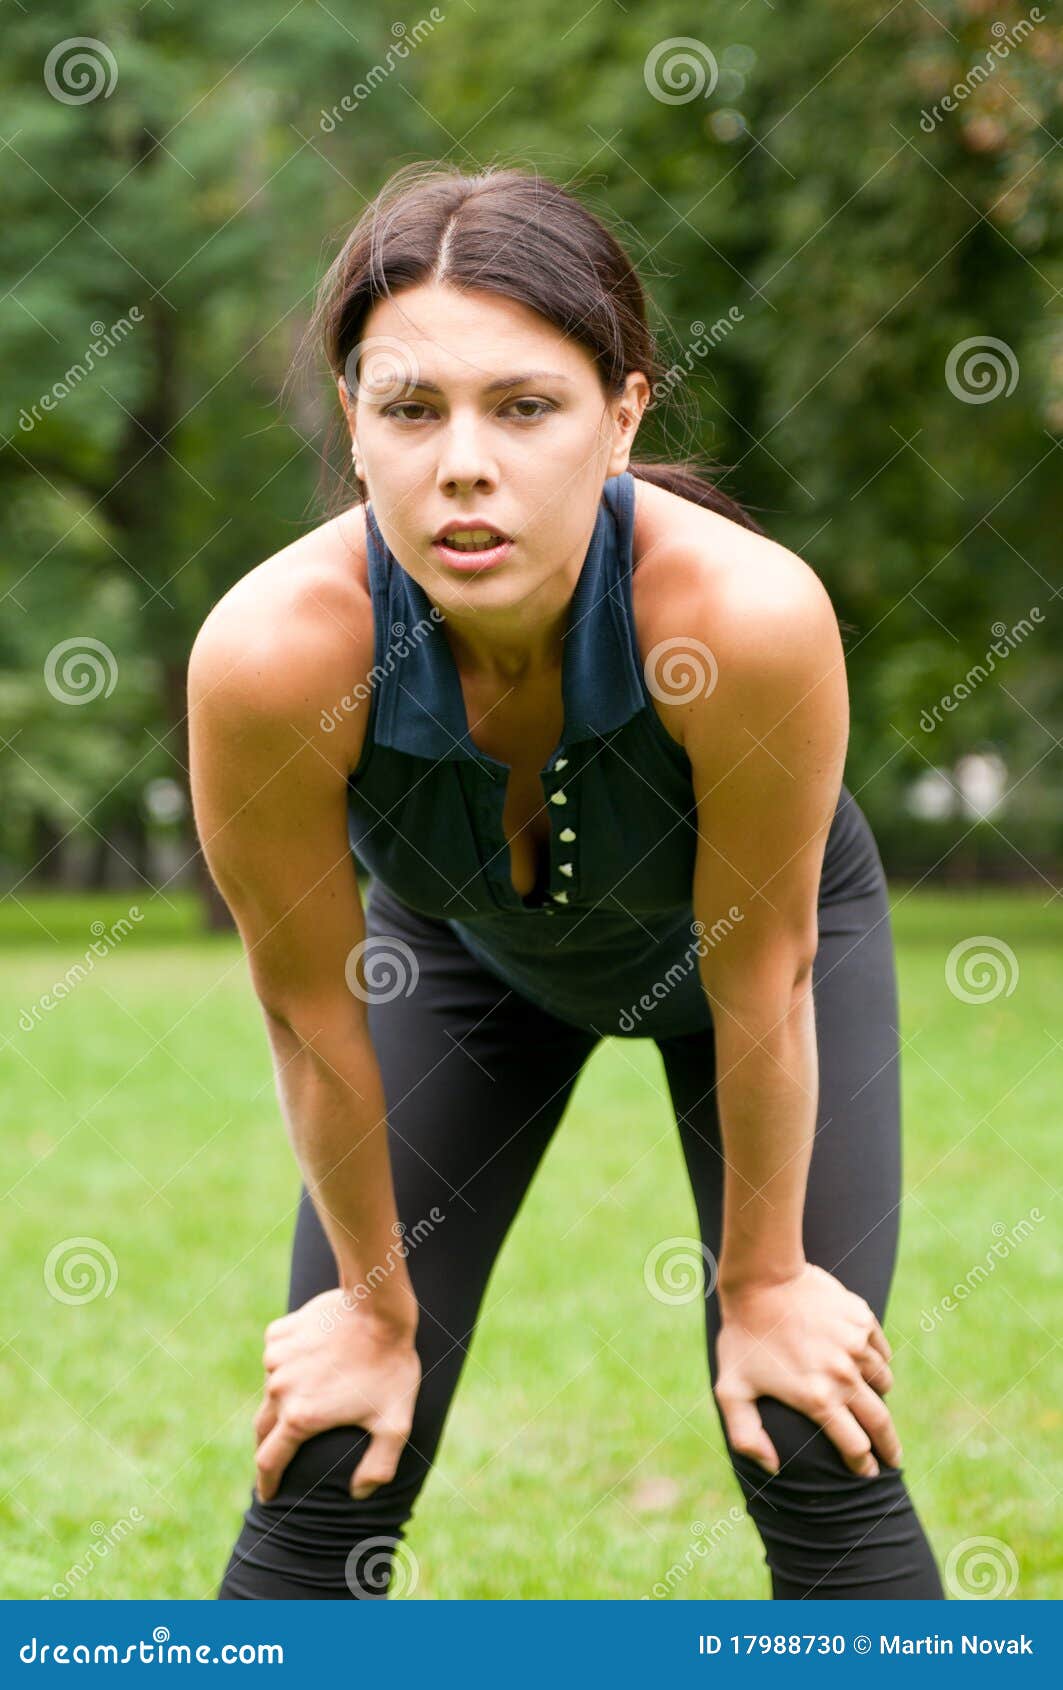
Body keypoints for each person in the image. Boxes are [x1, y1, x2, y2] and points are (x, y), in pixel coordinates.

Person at [187, 163, 944, 1600]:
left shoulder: (746, 617)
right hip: (466, 961)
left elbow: (764, 968)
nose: (462, 462)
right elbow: (307, 1011)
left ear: (624, 416)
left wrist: (764, 1283)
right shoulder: (273, 656)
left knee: (804, 1422)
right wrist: (368, 1300)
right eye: (410, 408)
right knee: (338, 1436)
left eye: (524, 407)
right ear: (354, 427)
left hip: (757, 967)